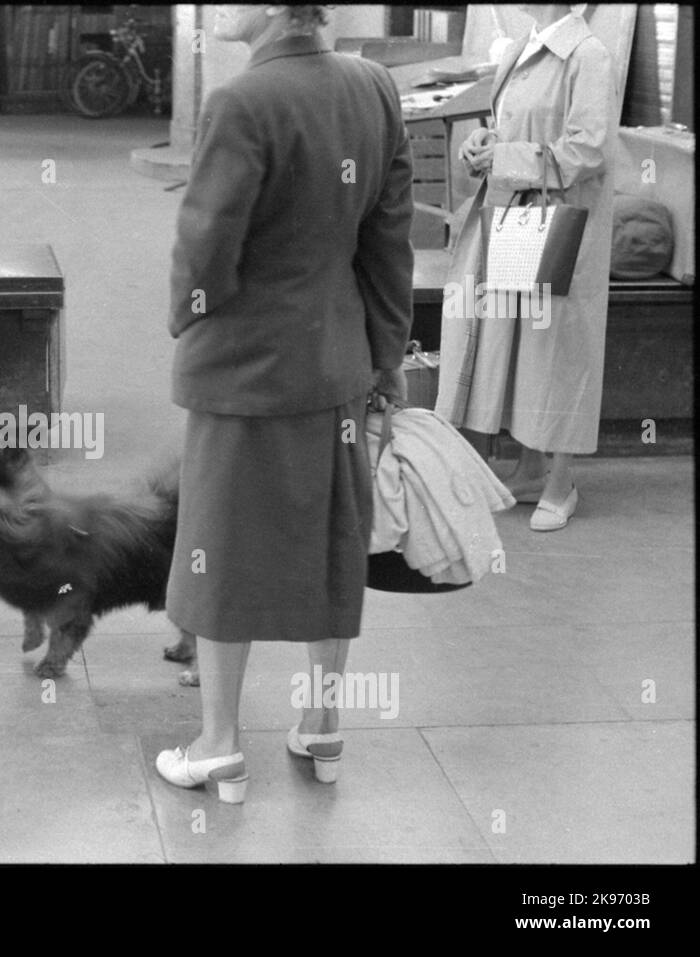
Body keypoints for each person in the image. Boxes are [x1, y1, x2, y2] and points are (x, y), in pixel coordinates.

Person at [157, 4, 413, 802]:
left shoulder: (241, 102)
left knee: (221, 548)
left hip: (245, 370)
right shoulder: (374, 87)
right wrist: (387, 352)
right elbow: (388, 240)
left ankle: (221, 744)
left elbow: (206, 247)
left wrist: (184, 315)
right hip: (337, 361)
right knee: (333, 541)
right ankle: (323, 725)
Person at [436, 4, 615, 532]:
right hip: (515, 214)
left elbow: (589, 149)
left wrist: (506, 156)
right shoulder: (521, 48)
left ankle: (563, 480)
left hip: (562, 221)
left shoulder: (588, 54)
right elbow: (508, 127)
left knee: (557, 343)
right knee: (517, 339)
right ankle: (530, 466)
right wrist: (483, 145)